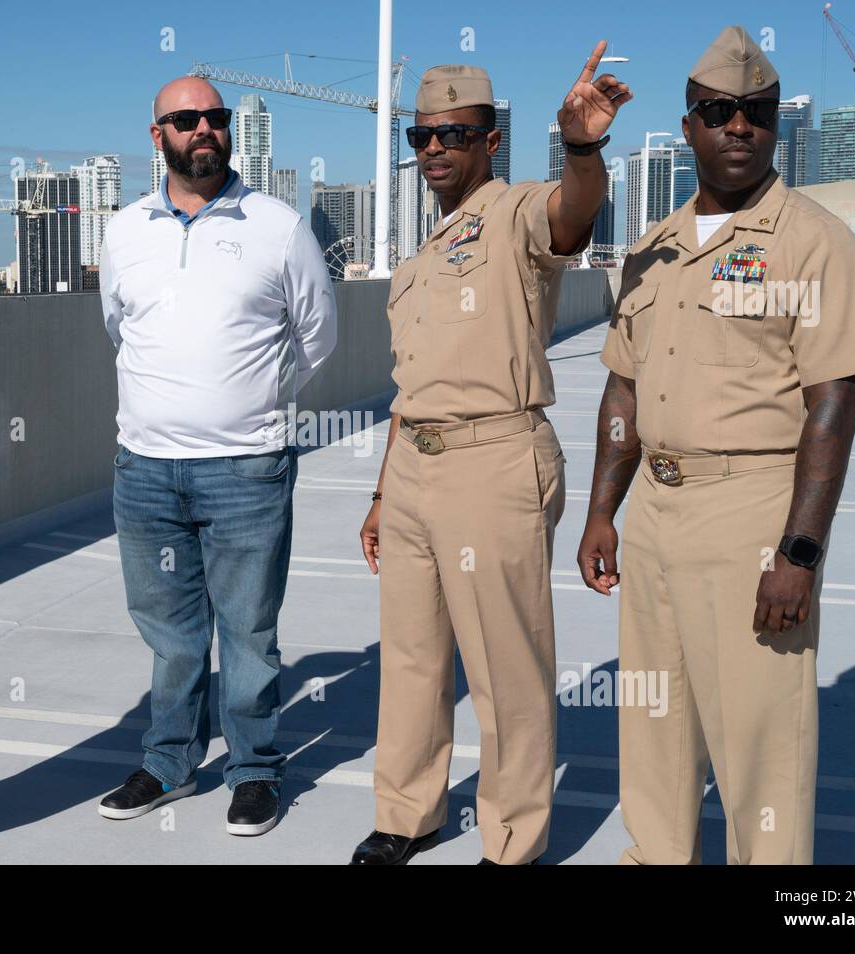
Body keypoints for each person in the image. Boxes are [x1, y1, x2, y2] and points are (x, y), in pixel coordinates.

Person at [576, 25, 855, 864]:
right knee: (654, 721)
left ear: (775, 124)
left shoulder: (812, 241)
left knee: (760, 742)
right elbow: (624, 387)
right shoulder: (653, 248)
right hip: (657, 517)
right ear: (689, 128)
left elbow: (834, 403)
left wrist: (801, 550)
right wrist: (604, 510)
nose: (739, 126)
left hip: (754, 513)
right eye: (719, 111)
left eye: (758, 112)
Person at [350, 44, 630, 865]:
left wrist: (582, 147)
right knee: (410, 658)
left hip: (495, 458)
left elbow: (575, 212)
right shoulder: (417, 263)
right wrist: (379, 492)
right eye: (421, 136)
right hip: (413, 467)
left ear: (490, 140)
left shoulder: (515, 215)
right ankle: (408, 813)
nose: (435, 148)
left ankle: (512, 838)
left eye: (454, 134)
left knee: (505, 665)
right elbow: (411, 387)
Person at [96, 77, 337, 837]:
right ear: (157, 132)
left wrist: (252, 399)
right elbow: (118, 327)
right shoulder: (123, 229)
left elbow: (317, 336)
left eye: (216, 118)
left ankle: (256, 769)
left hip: (246, 469)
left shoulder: (276, 224)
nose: (204, 128)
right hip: (145, 470)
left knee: (248, 632)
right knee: (168, 634)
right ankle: (168, 763)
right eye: (187, 119)